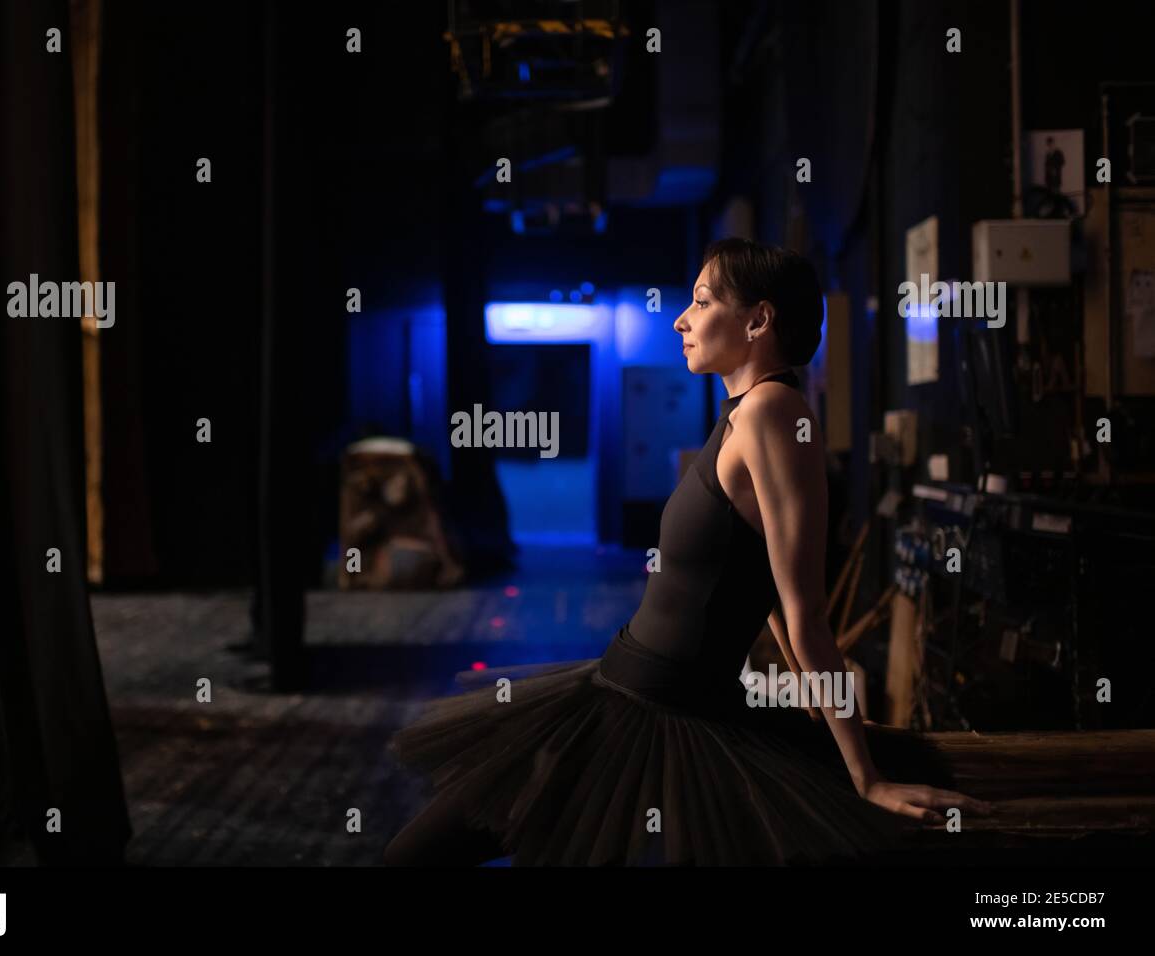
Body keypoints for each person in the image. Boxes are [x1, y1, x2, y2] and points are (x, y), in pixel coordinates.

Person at [383, 237, 992, 866]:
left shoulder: (773, 413)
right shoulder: (741, 414)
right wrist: (811, 703)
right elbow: (765, 586)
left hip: (658, 708)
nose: (681, 318)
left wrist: (865, 775)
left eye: (702, 301)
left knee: (414, 856)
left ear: (758, 320)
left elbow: (806, 612)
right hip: (619, 689)